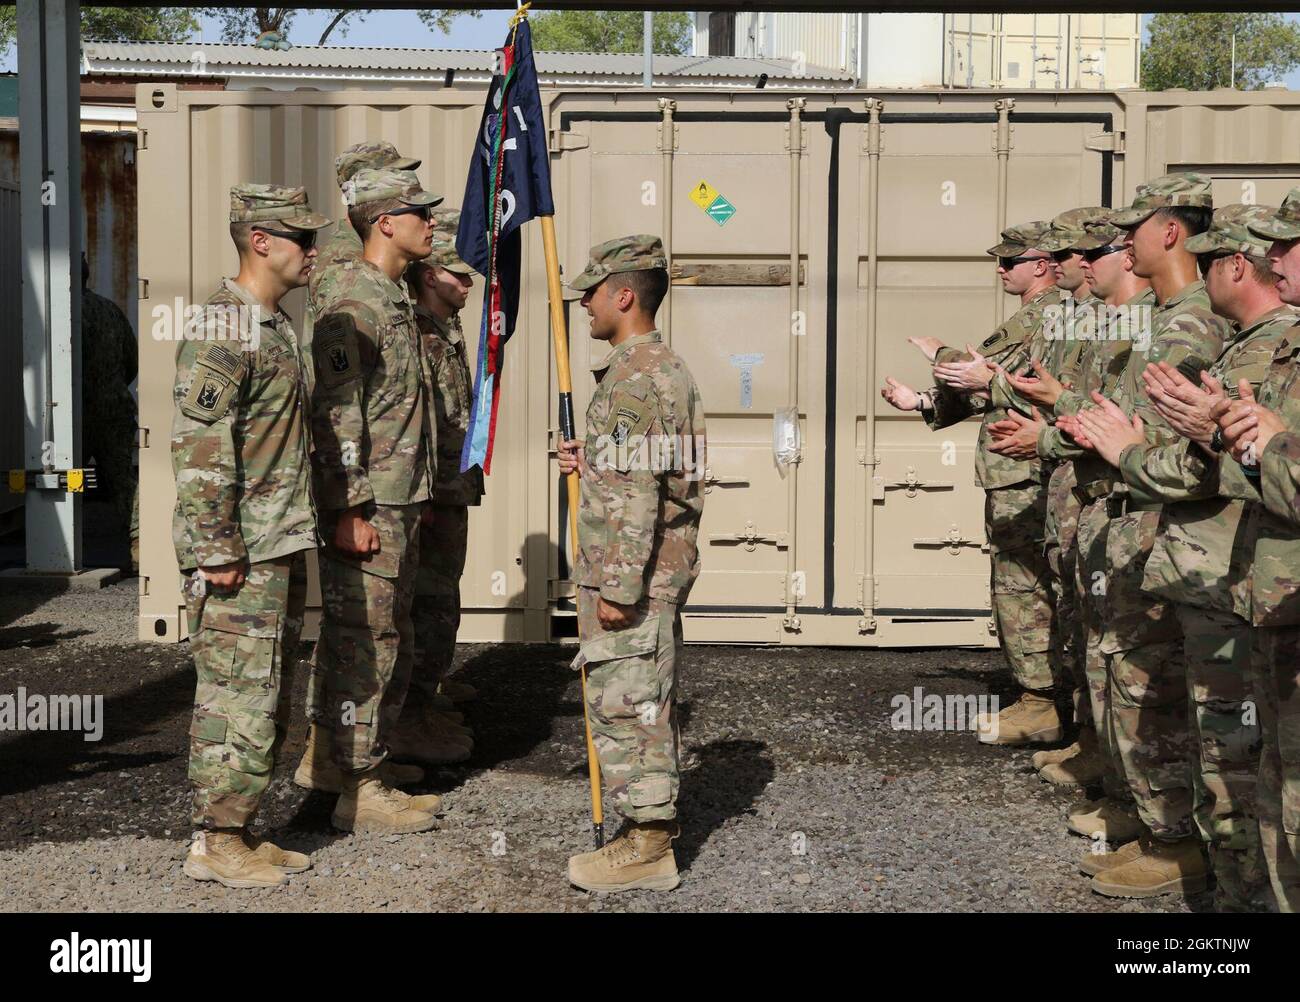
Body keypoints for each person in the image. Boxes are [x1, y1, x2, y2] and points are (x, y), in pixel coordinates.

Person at [1075, 204, 1289, 910]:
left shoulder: (1257, 343)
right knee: (1228, 748)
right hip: (1237, 576)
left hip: (1241, 576)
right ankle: (1223, 882)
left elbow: (1227, 467)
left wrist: (1139, 452)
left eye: (1282, 251)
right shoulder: (1250, 343)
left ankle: (1216, 876)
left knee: (1241, 756)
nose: (1273, 263)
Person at [1051, 173, 1230, 898]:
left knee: (1153, 686)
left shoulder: (1189, 320)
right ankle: (1153, 822)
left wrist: (1106, 442)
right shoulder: (1160, 315)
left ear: (1171, 231)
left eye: (1135, 226)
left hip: (1159, 530)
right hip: (1133, 523)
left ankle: (1175, 838)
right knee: (1130, 679)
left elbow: (1162, 444)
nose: (1121, 240)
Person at [172, 183, 331, 888]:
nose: (313, 252)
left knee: (264, 690)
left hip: (276, 539)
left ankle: (239, 825)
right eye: (302, 238)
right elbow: (201, 446)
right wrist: (216, 547)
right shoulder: (225, 326)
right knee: (234, 694)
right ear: (260, 242)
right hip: (243, 547)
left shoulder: (274, 324)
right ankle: (216, 838)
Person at [989, 214, 1153, 841]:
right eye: (1059, 253)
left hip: (1126, 511)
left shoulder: (1158, 323)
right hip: (1083, 497)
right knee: (1092, 632)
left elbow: (1128, 426)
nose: (1070, 263)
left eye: (1081, 251)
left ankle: (1160, 819)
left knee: (1136, 661)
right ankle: (1105, 759)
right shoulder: (1097, 320)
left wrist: (1048, 420)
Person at [556, 235, 706, 892]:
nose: (583, 304)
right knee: (642, 697)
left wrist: (616, 586)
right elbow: (648, 474)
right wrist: (591, 464)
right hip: (651, 569)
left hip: (633, 578)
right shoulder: (654, 370)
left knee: (629, 701)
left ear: (624, 295)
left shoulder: (636, 379)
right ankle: (644, 832)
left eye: (591, 291)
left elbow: (641, 494)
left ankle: (647, 847)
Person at [881, 221, 1063, 746]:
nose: (1001, 269)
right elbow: (987, 391)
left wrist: (941, 354)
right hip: (1017, 471)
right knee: (1023, 582)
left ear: (1044, 264)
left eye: (1011, 261)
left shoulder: (1047, 317)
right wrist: (922, 402)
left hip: (1027, 474)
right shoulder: (1034, 316)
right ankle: (1044, 696)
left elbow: (995, 380)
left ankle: (1042, 701)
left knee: (1023, 586)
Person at [307, 167, 444, 834]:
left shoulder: (387, 296)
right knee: (368, 645)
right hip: (375, 505)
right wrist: (351, 507)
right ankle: (358, 790)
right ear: (386, 222)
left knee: (382, 637)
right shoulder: (357, 301)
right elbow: (338, 413)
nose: (431, 223)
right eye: (420, 213)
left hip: (400, 498)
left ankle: (347, 766)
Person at [1212, 187, 1300, 910]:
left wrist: (1267, 445)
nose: (1273, 259)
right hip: (1278, 597)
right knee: (1279, 784)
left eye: (1286, 245)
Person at [392, 208, 484, 766]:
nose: (471, 284)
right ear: (430, 275)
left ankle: (425, 696)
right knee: (423, 603)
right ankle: (409, 716)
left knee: (440, 595)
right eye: (460, 275)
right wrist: (423, 493)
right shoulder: (417, 335)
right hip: (430, 493)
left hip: (448, 488)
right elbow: (413, 422)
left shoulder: (443, 332)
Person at [81, 253, 140, 573]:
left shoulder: (59, 311)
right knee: (122, 482)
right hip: (114, 410)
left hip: (72, 416)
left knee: (62, 480)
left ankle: (64, 548)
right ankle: (138, 545)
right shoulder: (109, 309)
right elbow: (132, 361)